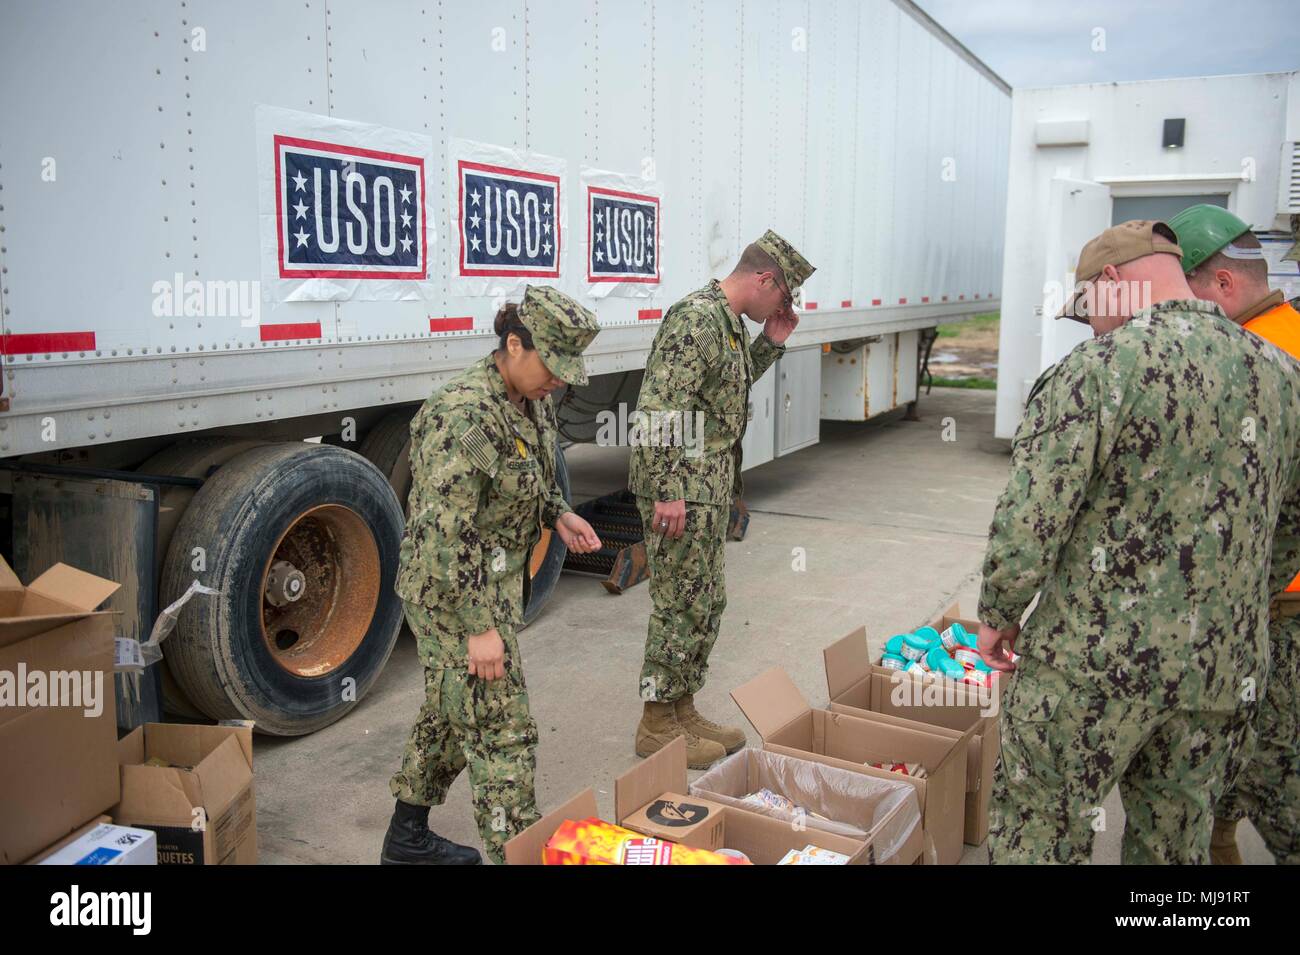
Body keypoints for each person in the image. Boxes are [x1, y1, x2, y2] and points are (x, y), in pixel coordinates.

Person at [977, 220, 1300, 864]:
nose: (1090, 324)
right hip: (1220, 675)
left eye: (1088, 307)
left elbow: (1030, 521)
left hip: (1087, 669)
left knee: (1040, 828)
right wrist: (1237, 610)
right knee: (1175, 848)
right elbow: (1288, 533)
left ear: (1115, 282)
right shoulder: (1284, 377)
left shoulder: (1096, 371)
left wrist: (999, 615)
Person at [382, 286, 603, 865]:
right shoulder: (463, 414)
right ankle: (519, 856)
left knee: (451, 709)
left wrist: (558, 511)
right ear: (514, 344)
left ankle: (406, 840)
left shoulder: (531, 399)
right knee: (503, 731)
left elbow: (529, 472)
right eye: (553, 366)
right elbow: (441, 538)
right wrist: (480, 627)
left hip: (496, 583)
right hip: (451, 593)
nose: (559, 381)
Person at [628, 230, 814, 769]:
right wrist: (668, 490)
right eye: (783, 298)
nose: (784, 307)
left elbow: (722, 391)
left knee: (704, 602)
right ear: (763, 279)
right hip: (680, 486)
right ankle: (656, 721)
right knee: (678, 603)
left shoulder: (728, 325)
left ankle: (682, 709)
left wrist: (769, 344)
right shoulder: (696, 318)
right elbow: (662, 409)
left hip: (706, 487)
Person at [1169, 203, 1300, 865]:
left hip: (1272, 601)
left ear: (1221, 284)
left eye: (1180, 294)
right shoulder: (1290, 331)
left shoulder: (1258, 361)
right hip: (1275, 594)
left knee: (1267, 768)